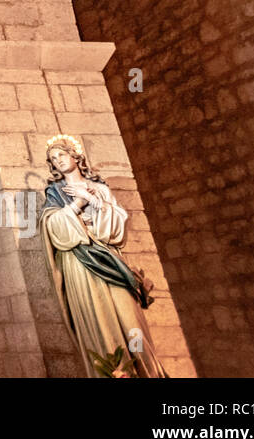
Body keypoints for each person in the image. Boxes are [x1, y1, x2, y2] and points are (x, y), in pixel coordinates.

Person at [39, 134, 166, 377]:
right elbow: (52, 227)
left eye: (62, 155)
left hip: (109, 258)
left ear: (75, 156)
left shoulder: (100, 189)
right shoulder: (55, 193)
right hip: (80, 262)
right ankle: (113, 372)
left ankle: (146, 371)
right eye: (54, 159)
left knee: (132, 325)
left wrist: (95, 203)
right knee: (99, 322)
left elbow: (118, 227)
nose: (59, 161)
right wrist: (76, 204)